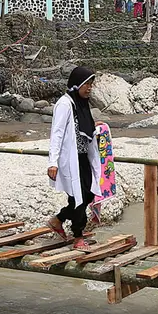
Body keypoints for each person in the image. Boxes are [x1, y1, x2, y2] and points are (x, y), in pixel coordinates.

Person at [47, 66, 102, 250]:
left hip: (83, 157)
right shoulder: (65, 104)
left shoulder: (81, 103)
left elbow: (84, 126)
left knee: (87, 194)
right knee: (78, 197)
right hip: (71, 160)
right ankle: (78, 237)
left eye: (91, 84)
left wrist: (95, 128)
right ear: (77, 84)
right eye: (87, 84)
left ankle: (58, 219)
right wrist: (53, 162)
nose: (89, 88)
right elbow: (57, 133)